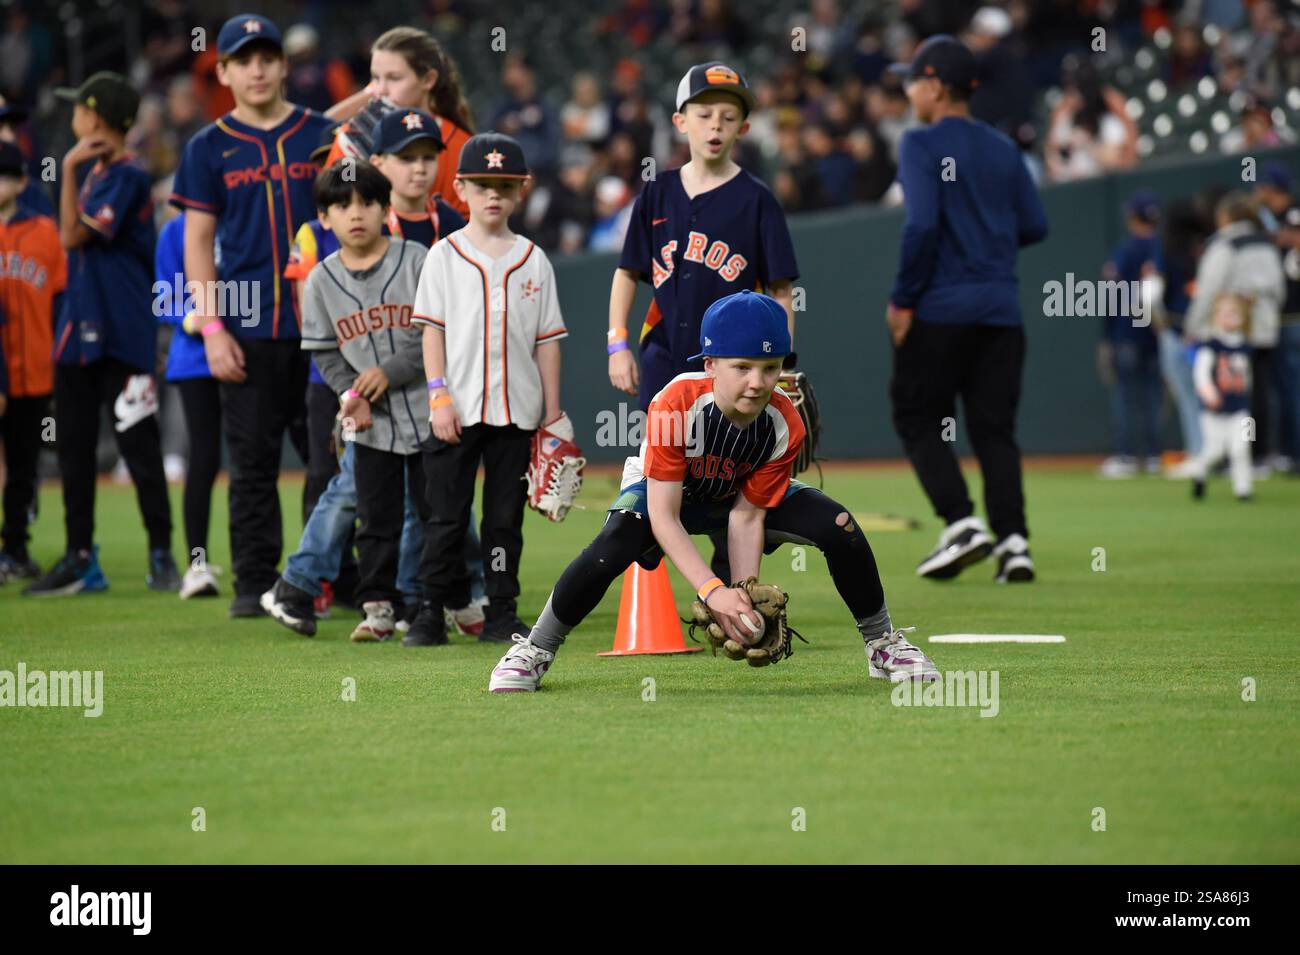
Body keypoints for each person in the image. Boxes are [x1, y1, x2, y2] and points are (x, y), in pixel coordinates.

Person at [488, 290, 940, 693]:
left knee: (840, 525)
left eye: (770, 367)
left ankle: (883, 644)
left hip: (734, 499)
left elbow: (745, 517)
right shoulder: (675, 404)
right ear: (710, 365)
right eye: (741, 367)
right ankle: (534, 650)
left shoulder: (786, 421)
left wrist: (742, 594)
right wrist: (711, 590)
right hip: (670, 495)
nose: (757, 382)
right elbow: (665, 516)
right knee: (613, 545)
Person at [169, 14, 335, 617]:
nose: (258, 68)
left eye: (267, 56)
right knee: (253, 464)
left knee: (331, 461)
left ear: (284, 64)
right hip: (248, 329)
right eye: (244, 59)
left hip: (324, 331)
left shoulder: (320, 134)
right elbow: (196, 245)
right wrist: (211, 329)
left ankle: (326, 577)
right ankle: (254, 582)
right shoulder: (206, 146)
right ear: (225, 71)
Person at [608, 61, 799, 583]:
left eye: (728, 116)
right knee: (664, 463)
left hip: (734, 367)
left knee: (729, 462)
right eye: (704, 113)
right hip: (665, 352)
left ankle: (732, 583)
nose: (716, 125)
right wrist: (616, 343)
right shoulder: (657, 192)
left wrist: (781, 364)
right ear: (680, 121)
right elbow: (628, 272)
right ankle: (648, 543)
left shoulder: (758, 200)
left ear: (744, 127)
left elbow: (782, 290)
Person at [884, 35, 1048, 583]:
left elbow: (923, 225)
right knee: (994, 431)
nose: (908, 89)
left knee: (915, 414)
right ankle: (1015, 544)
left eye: (912, 79)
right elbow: (1034, 225)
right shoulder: (1003, 147)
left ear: (933, 86)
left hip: (940, 308)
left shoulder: (920, 143)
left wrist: (903, 299)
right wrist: (988, 242)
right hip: (1001, 312)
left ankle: (961, 523)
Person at [409, 133, 568, 646]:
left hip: (517, 411)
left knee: (504, 521)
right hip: (455, 407)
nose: (492, 194)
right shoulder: (443, 255)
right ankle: (430, 610)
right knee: (445, 517)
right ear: (460, 188)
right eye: (481, 184)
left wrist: (553, 412)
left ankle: (501, 611)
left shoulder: (533, 258)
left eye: (504, 184)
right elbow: (431, 331)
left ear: (520, 190)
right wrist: (437, 394)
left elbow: (547, 342)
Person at [24, 72, 180, 596]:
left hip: (122, 332)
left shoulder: (126, 176)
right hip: (80, 332)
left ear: (95, 117)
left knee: (138, 446)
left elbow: (71, 235)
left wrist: (67, 165)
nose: (72, 117)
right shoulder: (101, 175)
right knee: (74, 448)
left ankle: (162, 553)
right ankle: (80, 557)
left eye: (78, 109)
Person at [263, 161, 428, 641]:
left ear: (385, 208)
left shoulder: (416, 259)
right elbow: (322, 351)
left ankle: (427, 596)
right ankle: (369, 597)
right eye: (342, 205)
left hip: (423, 406)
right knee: (365, 501)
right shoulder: (320, 279)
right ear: (324, 216)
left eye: (367, 202)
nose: (356, 214)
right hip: (369, 415)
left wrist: (387, 373)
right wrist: (350, 391)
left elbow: (435, 334)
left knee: (430, 505)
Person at [324, 26, 475, 218]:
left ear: (428, 79)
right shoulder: (355, 137)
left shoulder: (462, 147)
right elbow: (333, 216)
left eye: (394, 78)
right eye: (376, 79)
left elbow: (471, 232)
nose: (381, 91)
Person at [1183, 192, 1285, 474]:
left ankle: (1231, 456)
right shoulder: (1266, 244)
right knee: (1259, 395)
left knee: (1231, 395)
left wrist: (1193, 327)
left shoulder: (1224, 244)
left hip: (1229, 334)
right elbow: (1278, 290)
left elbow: (1207, 290)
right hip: (1266, 330)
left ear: (1225, 217)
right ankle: (1259, 455)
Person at [0, 139, 64, 584]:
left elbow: (61, 300)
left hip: (36, 371)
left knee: (24, 465)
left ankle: (16, 548)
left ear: (23, 181)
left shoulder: (44, 231)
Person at [156, 209, 222, 598]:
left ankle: (259, 567)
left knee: (255, 462)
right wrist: (189, 319)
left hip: (253, 351)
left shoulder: (245, 213)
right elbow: (163, 295)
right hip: (196, 357)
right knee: (205, 457)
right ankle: (197, 562)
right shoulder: (176, 230)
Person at [1098, 190, 1163, 478]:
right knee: (1151, 397)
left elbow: (1111, 293)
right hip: (1157, 333)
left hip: (1127, 333)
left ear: (1134, 217)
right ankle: (1152, 457)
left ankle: (1125, 456)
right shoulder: (1162, 248)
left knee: (1125, 396)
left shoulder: (1125, 250)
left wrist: (1107, 335)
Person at [1254, 163, 1300, 472]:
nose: (1261, 193)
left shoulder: (1294, 215)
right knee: (1281, 391)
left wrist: (1288, 238)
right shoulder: (1273, 221)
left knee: (1292, 390)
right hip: (1277, 321)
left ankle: (1295, 452)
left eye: (1266, 188)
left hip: (1293, 320)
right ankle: (1285, 452)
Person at [1189, 294, 1254, 501]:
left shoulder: (1246, 347)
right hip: (1213, 411)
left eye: (1234, 314)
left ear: (1242, 318)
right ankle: (1198, 472)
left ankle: (1243, 490)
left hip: (1241, 409)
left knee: (1242, 448)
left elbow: (1247, 379)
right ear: (1216, 317)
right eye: (1224, 314)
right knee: (1214, 451)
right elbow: (1200, 374)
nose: (1229, 318)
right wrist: (1210, 395)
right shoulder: (1210, 346)